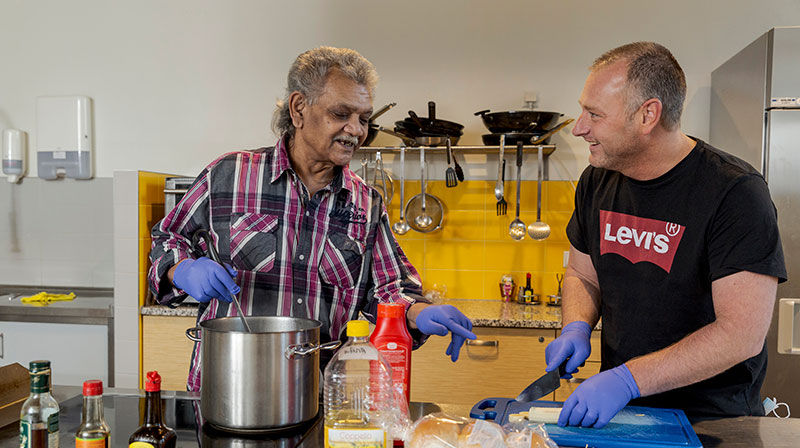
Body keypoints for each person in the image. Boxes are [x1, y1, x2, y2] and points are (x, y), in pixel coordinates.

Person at [148, 46, 476, 392]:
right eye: (341, 114)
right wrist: (182, 269)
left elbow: (389, 289)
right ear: (298, 108)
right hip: (226, 387)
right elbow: (167, 240)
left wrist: (418, 312)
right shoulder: (228, 175)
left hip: (315, 395)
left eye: (364, 118)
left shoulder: (366, 203)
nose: (356, 130)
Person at [545, 42, 786, 428]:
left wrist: (627, 379)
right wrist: (576, 325)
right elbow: (582, 275)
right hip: (624, 417)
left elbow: (740, 335)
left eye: (594, 114)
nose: (579, 127)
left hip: (712, 423)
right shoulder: (596, 181)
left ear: (648, 115)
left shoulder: (734, 193)